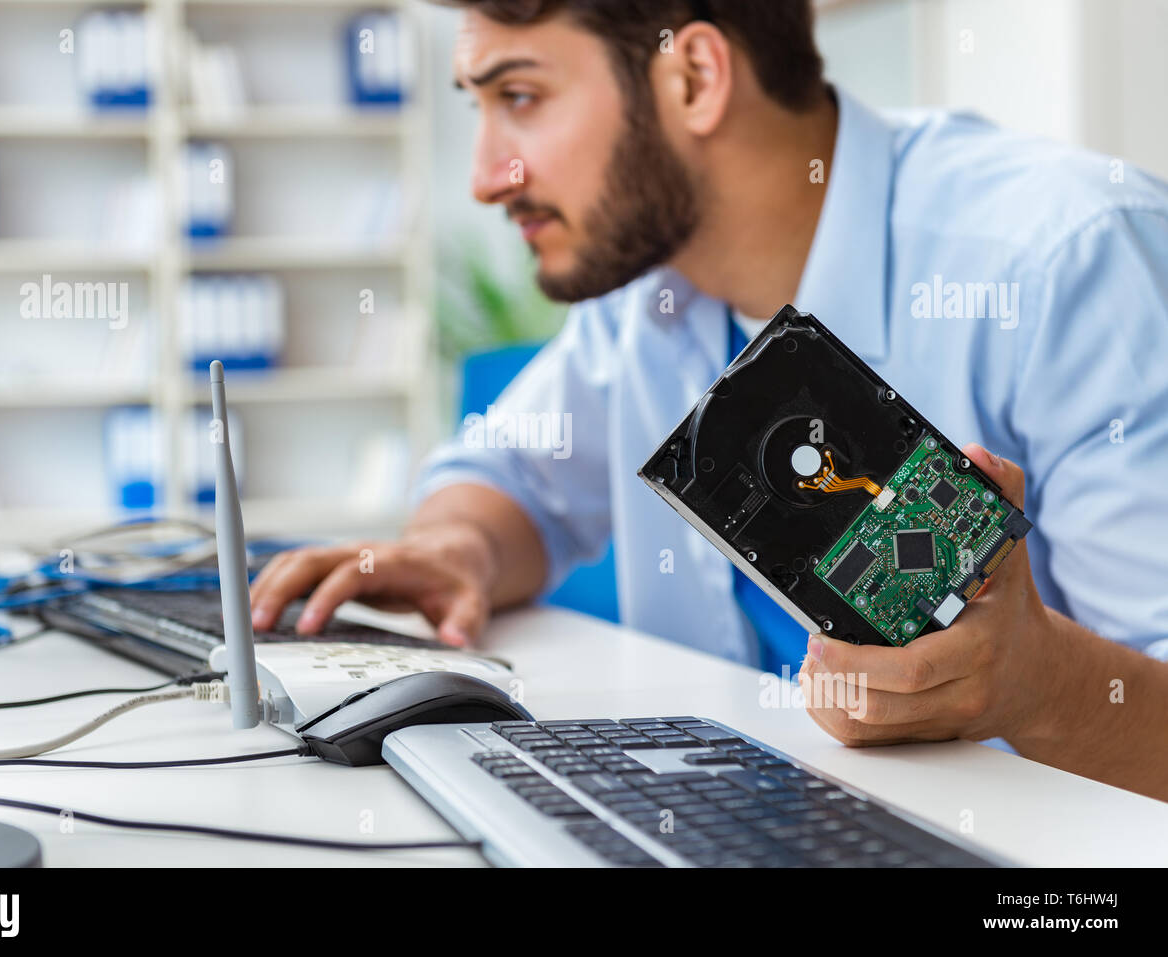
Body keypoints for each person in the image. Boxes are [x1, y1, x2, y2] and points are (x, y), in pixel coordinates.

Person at [251, 1, 1168, 800]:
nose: (487, 176)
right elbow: (509, 478)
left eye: (520, 98)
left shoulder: (1070, 258)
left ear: (693, 75)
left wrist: (1038, 684)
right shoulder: (652, 288)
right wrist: (460, 550)